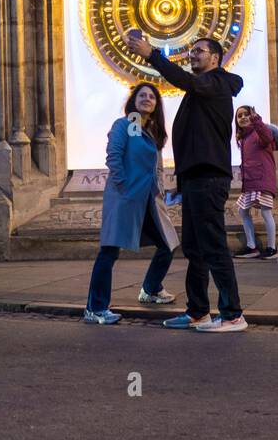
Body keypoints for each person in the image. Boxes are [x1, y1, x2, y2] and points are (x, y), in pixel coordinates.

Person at [128, 31, 247, 332]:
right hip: (194, 179)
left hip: (208, 178)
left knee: (214, 246)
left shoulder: (216, 83)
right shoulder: (201, 90)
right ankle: (198, 312)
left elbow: (186, 80)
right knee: (195, 248)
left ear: (216, 58)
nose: (193, 54)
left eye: (200, 51)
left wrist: (151, 54)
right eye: (192, 51)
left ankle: (233, 314)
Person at [84, 81, 179, 324]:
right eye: (142, 95)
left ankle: (150, 288)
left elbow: (156, 166)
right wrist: (124, 186)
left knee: (168, 244)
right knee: (109, 250)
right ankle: (95, 308)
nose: (147, 98)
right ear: (133, 101)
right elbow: (113, 157)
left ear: (157, 104)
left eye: (151, 96)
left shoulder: (153, 132)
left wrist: (160, 190)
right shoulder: (125, 125)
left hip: (148, 200)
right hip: (124, 198)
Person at [233, 105, 278, 259]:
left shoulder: (259, 133)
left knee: (265, 211)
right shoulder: (245, 137)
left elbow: (267, 137)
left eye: (246, 114)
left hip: (262, 181)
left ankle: (271, 248)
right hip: (251, 182)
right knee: (242, 211)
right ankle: (251, 247)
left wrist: (256, 120)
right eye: (239, 116)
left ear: (253, 115)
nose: (243, 118)